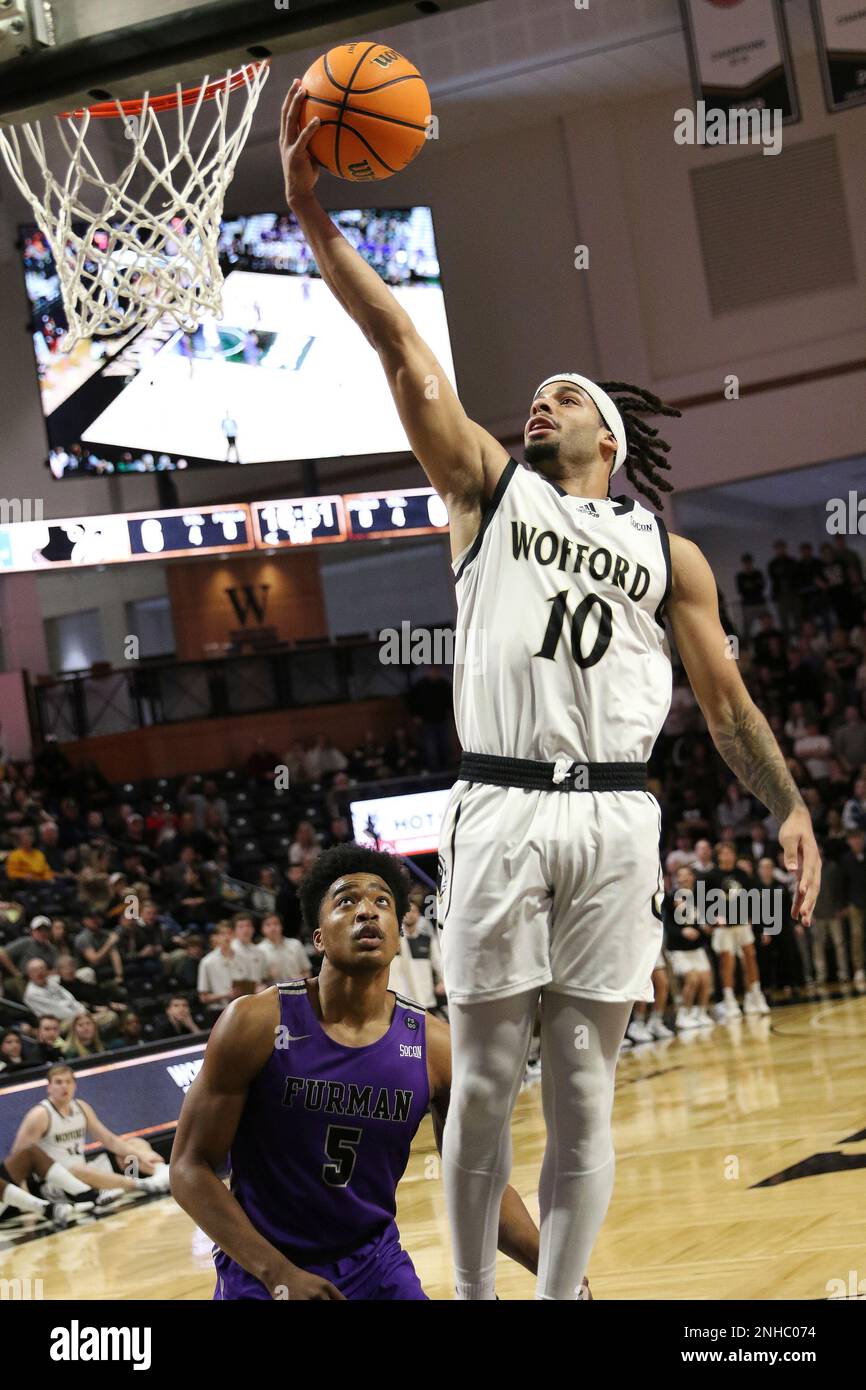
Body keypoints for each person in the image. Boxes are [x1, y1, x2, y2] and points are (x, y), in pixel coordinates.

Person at [280, 80, 821, 1300]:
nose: (543, 398)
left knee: (584, 1092)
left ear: (610, 445)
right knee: (478, 1081)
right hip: (503, 803)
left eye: (566, 394)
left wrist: (784, 802)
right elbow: (400, 348)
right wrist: (315, 221)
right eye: (538, 392)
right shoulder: (486, 490)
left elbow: (725, 708)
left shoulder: (665, 556)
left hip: (619, 815)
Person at [170, 844, 542, 1301]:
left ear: (398, 933)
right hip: (263, 1269)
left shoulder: (437, 1047)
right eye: (346, 901)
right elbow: (189, 1166)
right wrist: (278, 1273)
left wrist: (555, 1268)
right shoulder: (256, 1022)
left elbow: (479, 1181)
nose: (367, 910)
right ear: (318, 936)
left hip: (375, 1262)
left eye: (383, 901)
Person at [11, 1064, 171, 1197]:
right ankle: (141, 1185)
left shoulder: (81, 1107)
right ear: (49, 1087)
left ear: (74, 1085)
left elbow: (109, 1140)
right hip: (56, 1185)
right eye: (58, 1082)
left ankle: (158, 1173)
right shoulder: (40, 1115)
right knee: (77, 1170)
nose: (64, 1086)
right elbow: (18, 1158)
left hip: (86, 1172)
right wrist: (26, 1200)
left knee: (136, 1144)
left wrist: (143, 1155)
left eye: (68, 1082)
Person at [255, 912, 312, 983]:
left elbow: (306, 970)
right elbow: (258, 980)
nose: (273, 928)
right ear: (262, 929)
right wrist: (268, 974)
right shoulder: (258, 950)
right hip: (273, 990)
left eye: (276, 924)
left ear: (281, 926)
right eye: (268, 925)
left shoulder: (295, 944)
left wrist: (304, 982)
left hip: (298, 988)